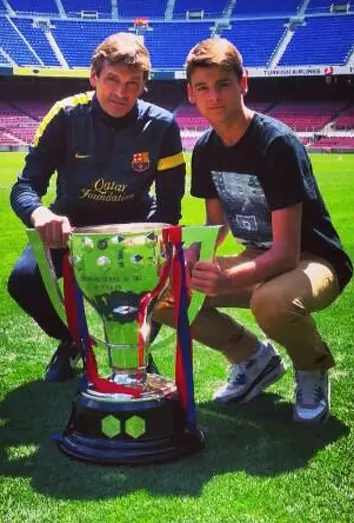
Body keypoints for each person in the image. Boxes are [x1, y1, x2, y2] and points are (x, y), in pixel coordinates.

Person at [153, 38, 353, 423]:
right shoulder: (207, 148)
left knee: (271, 303)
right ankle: (253, 359)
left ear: (243, 83)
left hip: (312, 260)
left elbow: (286, 252)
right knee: (166, 292)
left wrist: (226, 275)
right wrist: (194, 255)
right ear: (190, 94)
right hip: (260, 255)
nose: (214, 97)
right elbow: (216, 224)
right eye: (203, 88)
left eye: (223, 84)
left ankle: (312, 367)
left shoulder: (275, 144)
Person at [8, 32, 186, 382]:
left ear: (144, 84)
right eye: (112, 80)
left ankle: (137, 348)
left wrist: (153, 240)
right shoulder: (65, 115)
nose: (121, 92)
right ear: (94, 77)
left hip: (133, 226)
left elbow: (169, 205)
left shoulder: (163, 125)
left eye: (133, 83)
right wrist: (41, 214)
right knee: (24, 280)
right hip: (71, 226)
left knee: (166, 279)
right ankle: (72, 341)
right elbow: (25, 186)